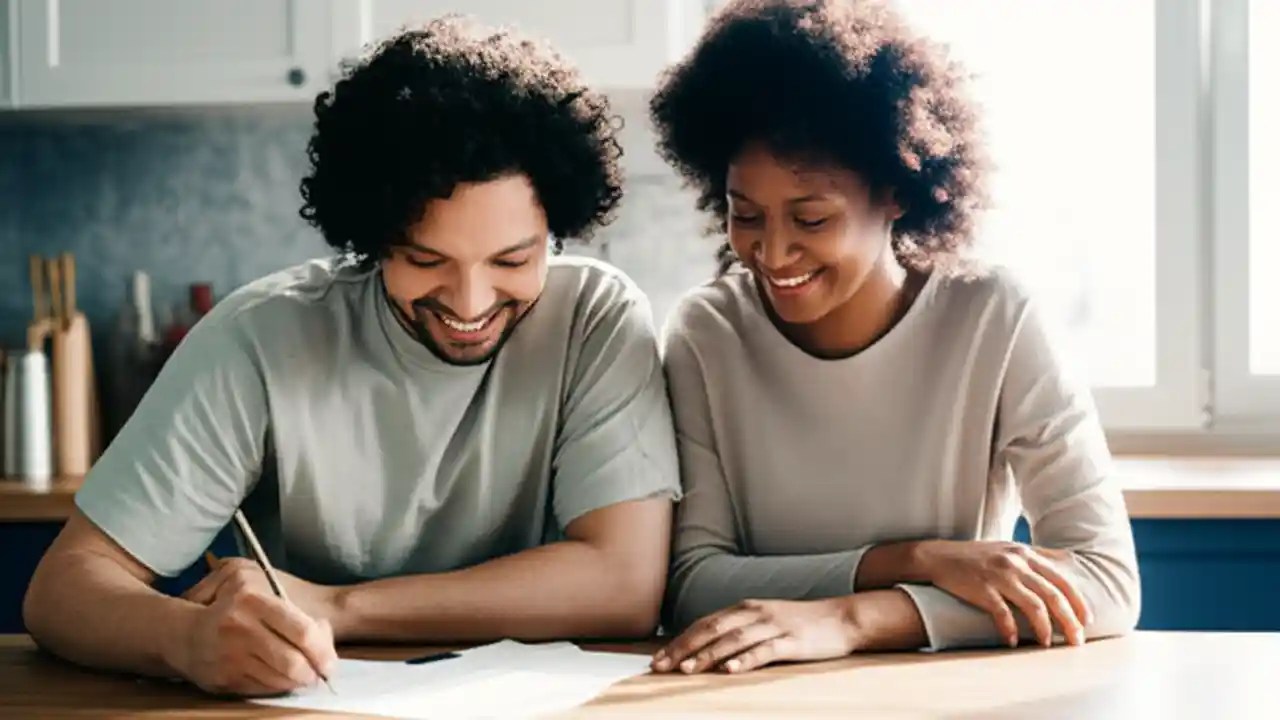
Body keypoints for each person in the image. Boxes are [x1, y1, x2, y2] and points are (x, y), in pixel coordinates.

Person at [24, 17, 680, 697]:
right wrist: (186, 639)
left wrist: (339, 606)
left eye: (512, 261)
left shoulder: (594, 319)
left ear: (555, 232)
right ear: (372, 238)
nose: (470, 301)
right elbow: (63, 590)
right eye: (425, 260)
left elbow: (624, 585)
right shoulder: (260, 337)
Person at [648, 0, 1140, 675]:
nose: (772, 252)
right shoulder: (708, 333)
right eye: (747, 215)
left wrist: (856, 619)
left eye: (811, 220)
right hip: (746, 698)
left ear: (897, 194)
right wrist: (919, 561)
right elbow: (692, 585)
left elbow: (1106, 583)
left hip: (943, 693)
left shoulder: (992, 318)